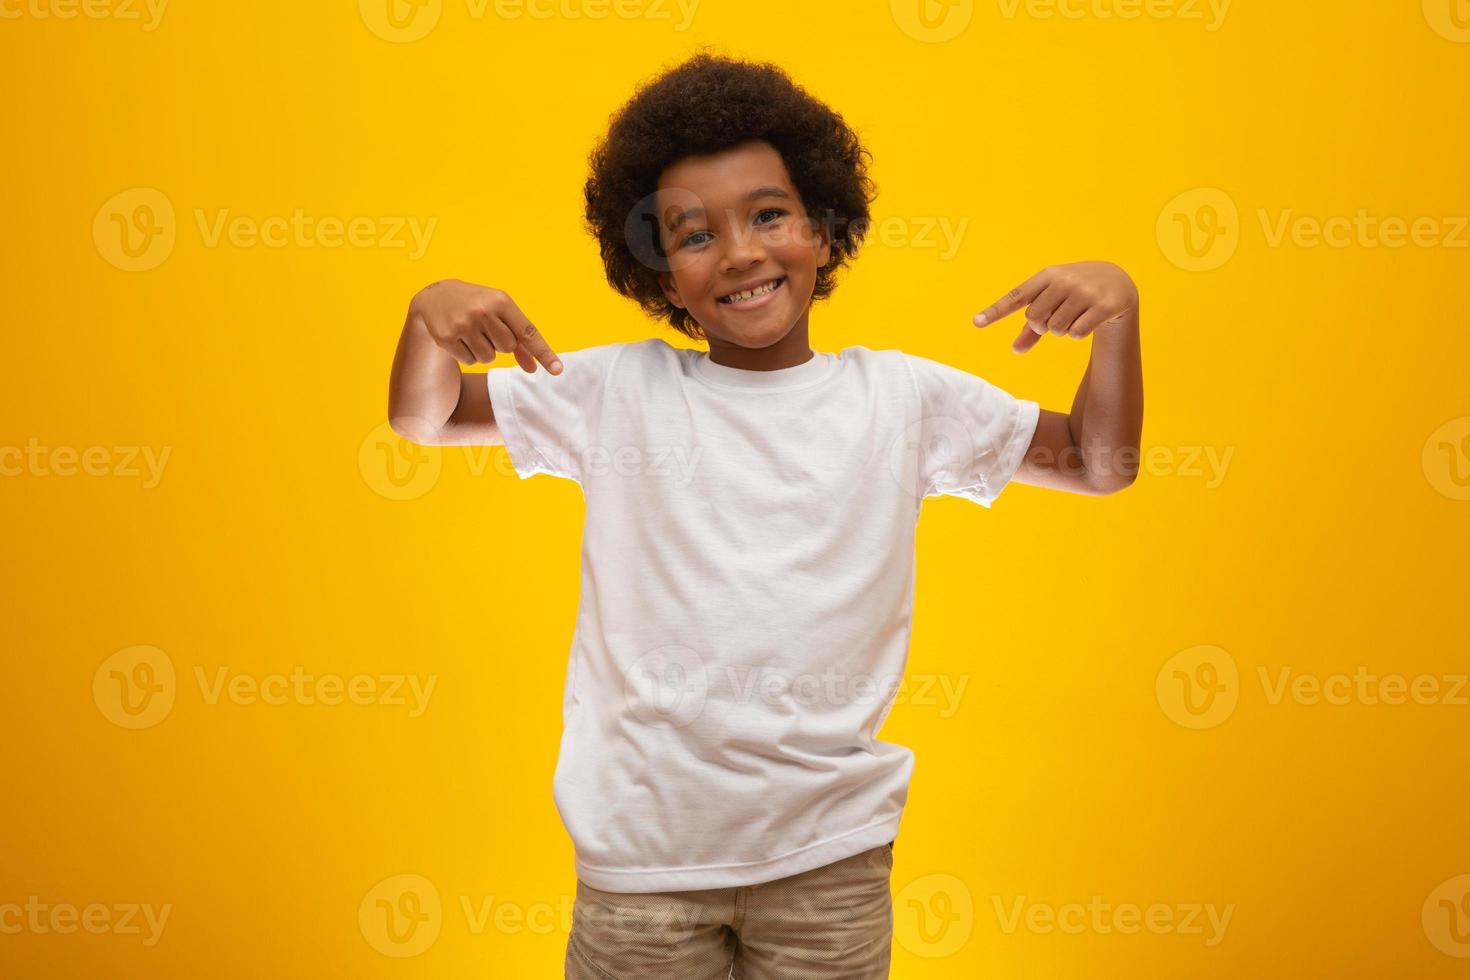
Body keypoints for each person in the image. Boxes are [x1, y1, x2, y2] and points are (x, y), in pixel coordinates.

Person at [386, 50, 1143, 980]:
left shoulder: (902, 399)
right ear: (659, 277)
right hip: (641, 860)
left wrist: (1117, 319)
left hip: (830, 855)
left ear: (826, 231)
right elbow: (423, 417)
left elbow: (1104, 466)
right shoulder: (616, 391)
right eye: (693, 235)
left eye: (768, 215)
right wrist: (427, 317)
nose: (740, 252)